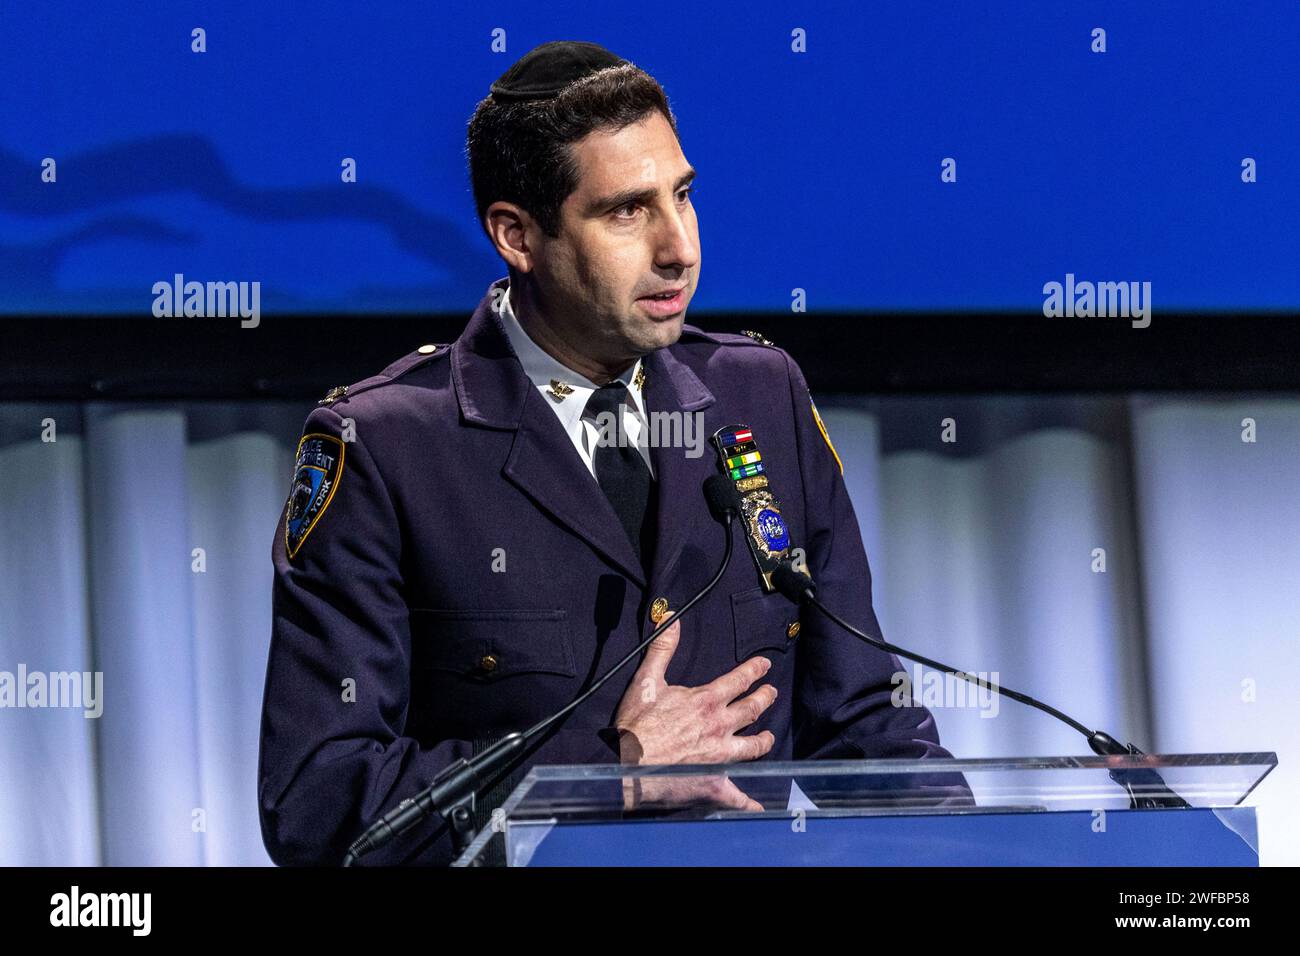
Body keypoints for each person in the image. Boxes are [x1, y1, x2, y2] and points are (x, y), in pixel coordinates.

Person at [258, 40, 962, 867]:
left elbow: (865, 728)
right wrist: (607, 772)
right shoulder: (384, 447)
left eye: (684, 195)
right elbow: (320, 804)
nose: (680, 248)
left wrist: (978, 852)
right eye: (627, 210)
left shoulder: (759, 396)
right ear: (517, 235)